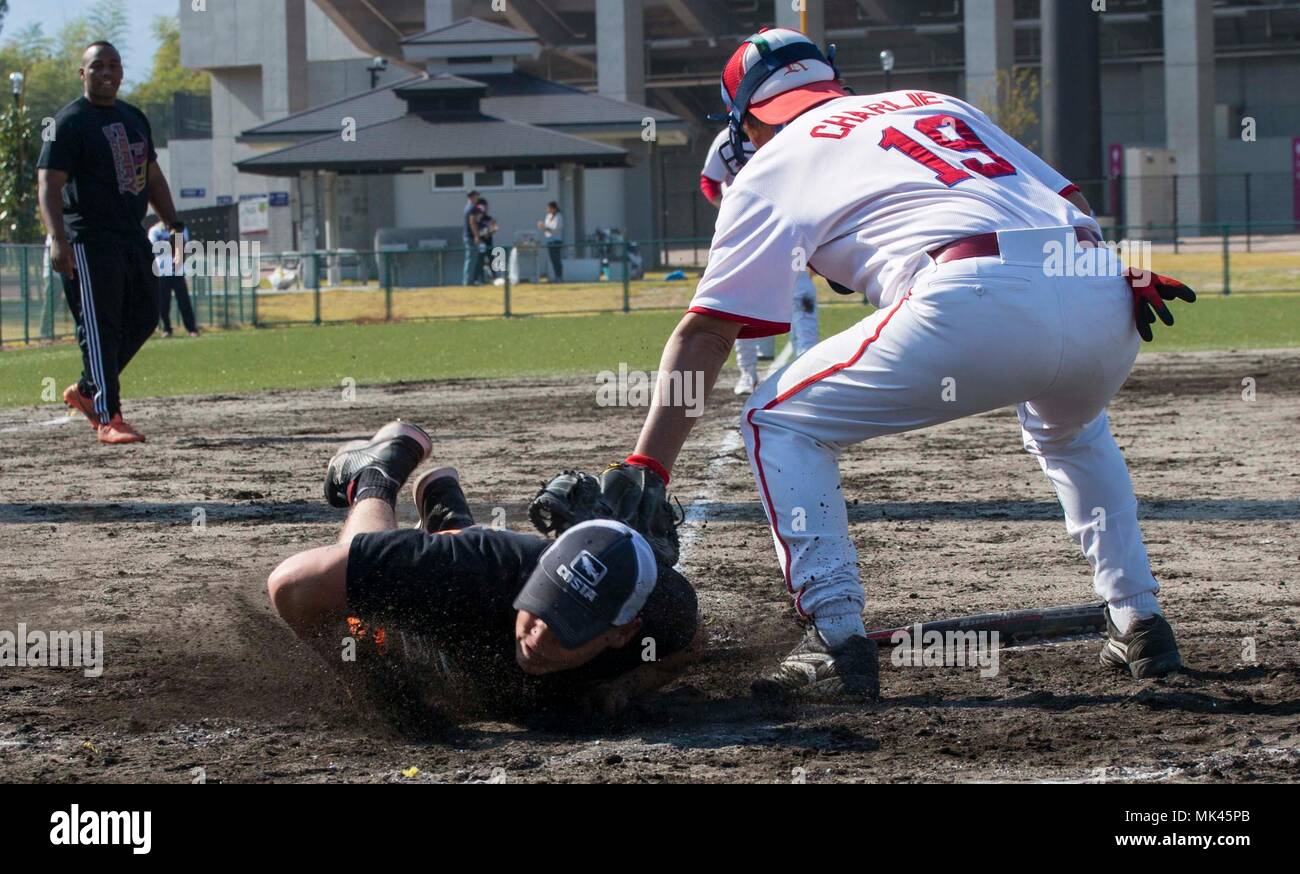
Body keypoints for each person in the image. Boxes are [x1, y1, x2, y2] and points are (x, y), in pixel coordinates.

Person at [615, 28, 1195, 701]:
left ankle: (835, 639)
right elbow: (1076, 207)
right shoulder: (931, 101)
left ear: (747, 118)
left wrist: (647, 467)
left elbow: (706, 337)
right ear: (828, 80)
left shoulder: (774, 162)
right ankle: (1140, 620)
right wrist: (1105, 274)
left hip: (972, 293)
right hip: (1102, 288)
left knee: (776, 420)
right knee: (1072, 431)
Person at [266, 421, 700, 724]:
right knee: (375, 599)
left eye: (570, 627)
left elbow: (684, 646)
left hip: (473, 565)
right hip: (471, 570)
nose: (538, 638)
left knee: (450, 563)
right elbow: (294, 584)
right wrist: (365, 674)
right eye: (541, 606)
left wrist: (631, 684)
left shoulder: (663, 614)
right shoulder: (480, 571)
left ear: (622, 632)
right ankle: (375, 475)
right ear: (538, 574)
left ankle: (443, 501)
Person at [37, 41, 185, 445]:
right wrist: (57, 238)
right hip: (87, 238)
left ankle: (88, 390)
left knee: (146, 314)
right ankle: (108, 417)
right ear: (82, 73)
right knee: (101, 326)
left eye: (114, 65)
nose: (106, 72)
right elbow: (49, 183)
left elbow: (152, 176)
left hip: (130, 235)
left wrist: (174, 224)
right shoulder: (68, 122)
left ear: (121, 72)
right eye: (97, 65)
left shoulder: (133, 117)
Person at [699, 127, 818, 395]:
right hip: (744, 232)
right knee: (738, 301)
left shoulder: (790, 132)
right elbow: (709, 181)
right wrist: (730, 210)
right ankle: (747, 372)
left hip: (785, 227)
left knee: (801, 294)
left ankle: (808, 365)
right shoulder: (726, 139)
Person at [148, 218, 198, 337]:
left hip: (177, 271)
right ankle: (167, 329)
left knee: (184, 302)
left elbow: (182, 246)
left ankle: (192, 329)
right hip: (162, 272)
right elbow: (156, 248)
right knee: (163, 303)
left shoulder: (180, 229)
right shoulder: (155, 230)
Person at [474, 197, 501, 285]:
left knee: (491, 260)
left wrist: (492, 230)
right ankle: (478, 279)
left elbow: (494, 228)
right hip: (480, 244)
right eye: (483, 206)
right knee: (479, 261)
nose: (485, 209)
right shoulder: (476, 219)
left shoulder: (489, 218)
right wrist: (483, 233)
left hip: (489, 243)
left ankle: (494, 278)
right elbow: (476, 231)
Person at [538, 202, 563, 282]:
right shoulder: (548, 216)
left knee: (556, 259)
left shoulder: (558, 216)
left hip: (556, 241)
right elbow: (547, 229)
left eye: (549, 208)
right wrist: (542, 227)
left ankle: (559, 276)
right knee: (552, 259)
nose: (547, 210)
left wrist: (544, 227)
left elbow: (554, 229)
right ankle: (555, 276)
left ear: (554, 208)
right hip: (549, 240)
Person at [461, 189, 481, 286]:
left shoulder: (467, 207)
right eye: (476, 196)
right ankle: (468, 282)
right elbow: (472, 222)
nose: (477, 198)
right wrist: (476, 236)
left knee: (470, 259)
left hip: (467, 236)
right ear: (472, 197)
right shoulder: (472, 208)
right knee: (471, 260)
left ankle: (468, 281)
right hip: (470, 237)